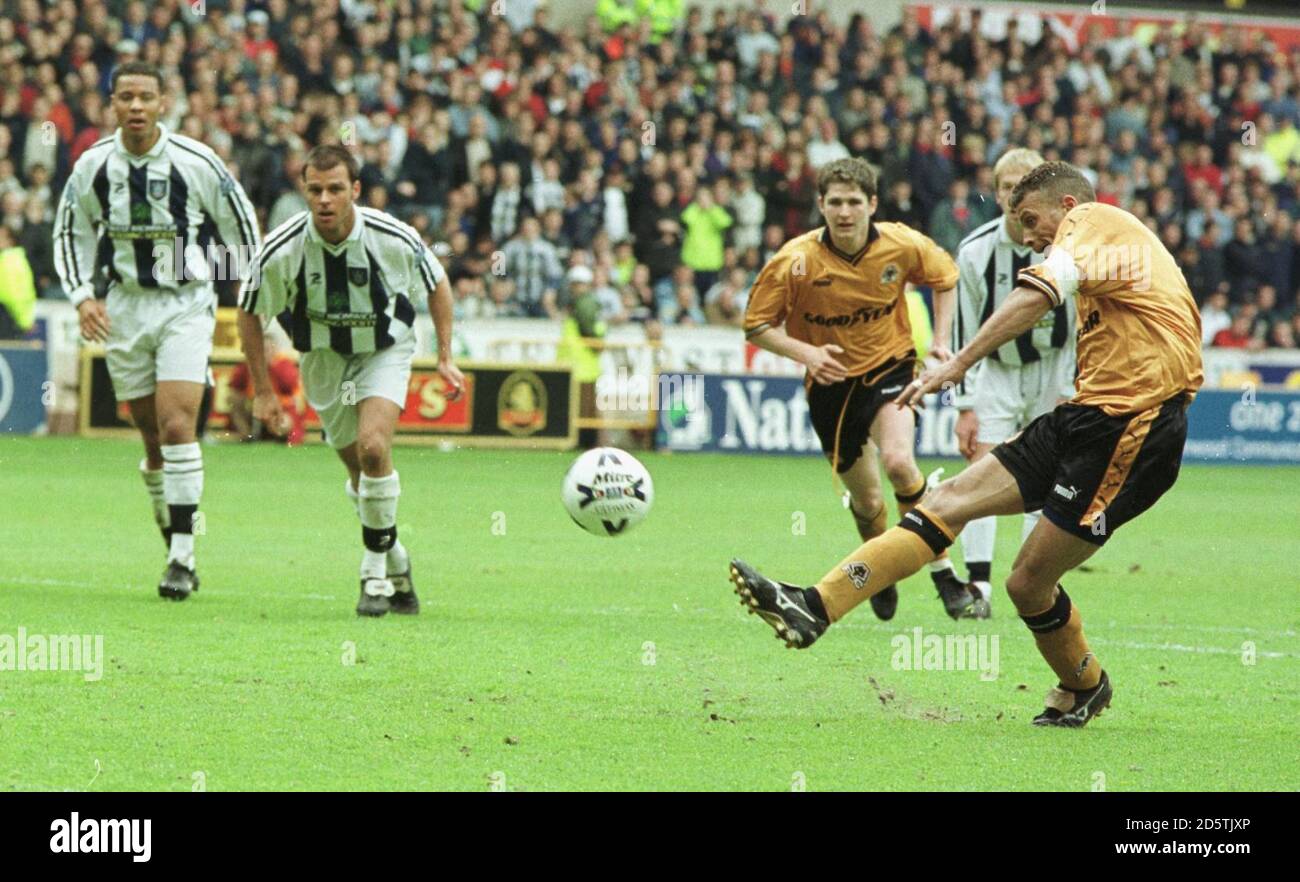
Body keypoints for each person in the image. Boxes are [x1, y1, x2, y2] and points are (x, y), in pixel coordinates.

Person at [731, 162, 1204, 728]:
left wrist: (955, 363)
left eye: (1032, 219)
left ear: (1070, 204)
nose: (1027, 236)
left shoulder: (1095, 221)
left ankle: (1084, 684)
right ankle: (814, 605)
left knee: (1026, 583)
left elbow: (1036, 299)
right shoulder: (1108, 250)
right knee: (945, 500)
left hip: (1136, 429)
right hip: (1084, 416)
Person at [52, 61, 261, 600]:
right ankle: (172, 527)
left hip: (185, 305)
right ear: (113, 105)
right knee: (150, 439)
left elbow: (241, 224)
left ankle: (182, 560)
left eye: (146, 97)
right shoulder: (93, 166)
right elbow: (71, 232)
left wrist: (248, 292)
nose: (137, 107)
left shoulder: (197, 161)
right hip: (125, 309)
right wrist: (82, 296)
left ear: (164, 103)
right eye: (126, 97)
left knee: (175, 428)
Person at [236, 144, 464, 617]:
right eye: (315, 189)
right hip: (322, 360)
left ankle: (373, 575)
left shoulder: (390, 235)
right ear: (304, 190)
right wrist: (262, 392)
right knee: (361, 475)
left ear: (355, 190)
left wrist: (444, 356)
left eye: (335, 189)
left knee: (374, 447)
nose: (324, 199)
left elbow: (437, 284)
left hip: (384, 349)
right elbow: (249, 311)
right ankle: (397, 560)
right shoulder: (281, 248)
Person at [742, 156, 973, 621]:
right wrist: (807, 354)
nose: (844, 212)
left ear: (872, 204)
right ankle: (877, 570)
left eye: (853, 202)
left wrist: (942, 344)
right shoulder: (796, 260)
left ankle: (945, 574)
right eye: (835, 203)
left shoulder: (901, 245)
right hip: (831, 387)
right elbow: (756, 325)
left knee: (901, 463)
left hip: (891, 368)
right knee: (868, 503)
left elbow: (946, 278)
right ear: (820, 206)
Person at [950, 148, 1075, 618]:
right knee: (984, 473)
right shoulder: (976, 252)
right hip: (997, 373)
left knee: (1045, 476)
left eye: (1026, 185)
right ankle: (978, 587)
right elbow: (964, 329)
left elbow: (1082, 319)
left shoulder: (1066, 246)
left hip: (1052, 370)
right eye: (1006, 186)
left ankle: (1033, 584)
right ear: (997, 190)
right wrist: (964, 402)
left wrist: (1070, 384)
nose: (1014, 195)